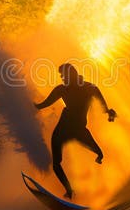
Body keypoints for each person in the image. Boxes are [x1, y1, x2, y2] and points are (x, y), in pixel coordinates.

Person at [34, 63, 116, 199]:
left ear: (72, 74)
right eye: (61, 76)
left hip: (78, 129)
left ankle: (97, 163)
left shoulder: (90, 88)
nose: (62, 78)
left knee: (100, 154)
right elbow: (43, 105)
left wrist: (109, 113)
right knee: (56, 163)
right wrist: (28, 105)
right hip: (63, 128)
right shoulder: (62, 89)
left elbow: (103, 105)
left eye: (63, 75)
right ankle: (69, 191)